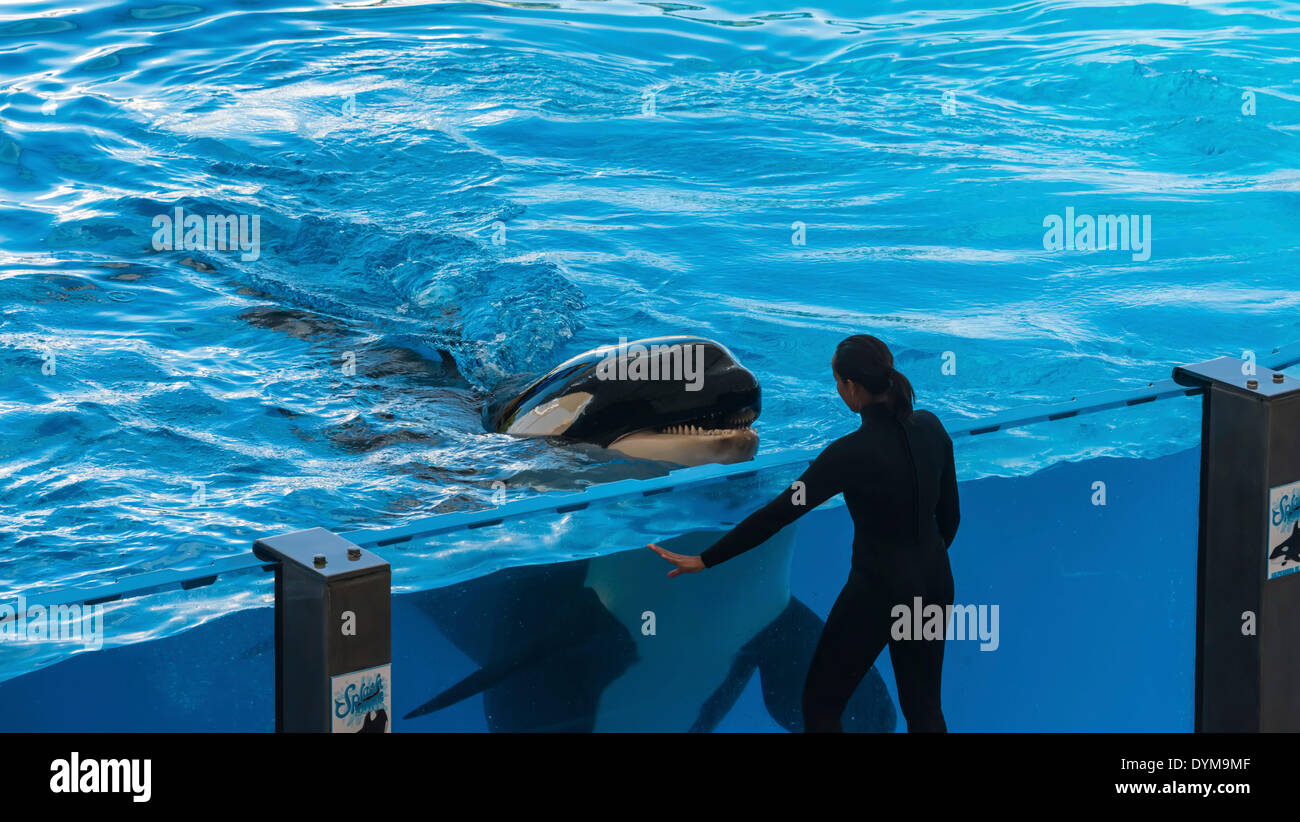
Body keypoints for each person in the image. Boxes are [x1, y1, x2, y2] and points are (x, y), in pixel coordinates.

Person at [648, 334, 960, 732]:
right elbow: (950, 518)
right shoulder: (932, 427)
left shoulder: (848, 453)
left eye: (837, 382)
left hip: (878, 590)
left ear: (850, 387)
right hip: (935, 582)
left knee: (821, 706)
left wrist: (706, 558)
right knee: (924, 710)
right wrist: (921, 564)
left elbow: (776, 515)